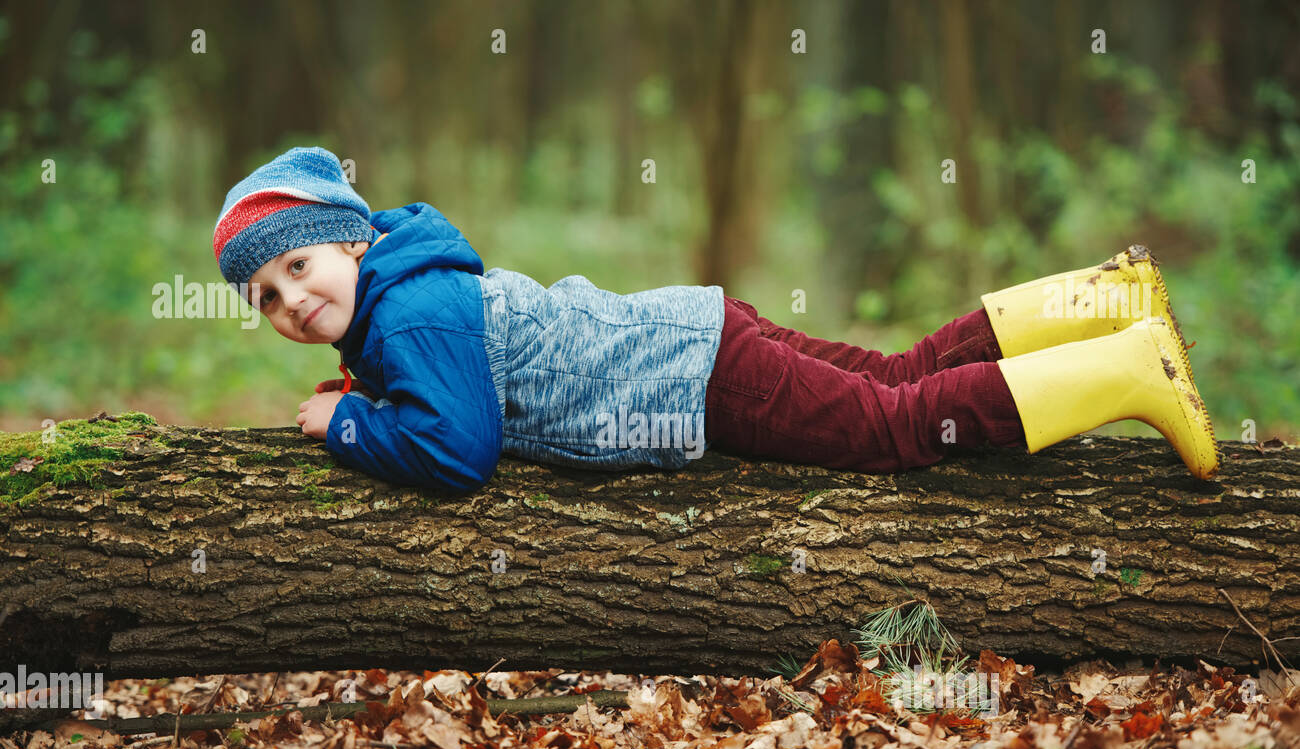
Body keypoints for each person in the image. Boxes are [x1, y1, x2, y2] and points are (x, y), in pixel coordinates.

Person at [212, 146, 1218, 494]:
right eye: (266, 298)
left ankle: (1132, 372)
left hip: (695, 379)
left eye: (297, 266)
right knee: (898, 370)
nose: (291, 300)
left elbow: (459, 450)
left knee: (895, 427)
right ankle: (1110, 295)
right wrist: (366, 387)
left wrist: (349, 423)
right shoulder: (407, 287)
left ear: (350, 240)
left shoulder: (408, 316)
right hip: (697, 335)